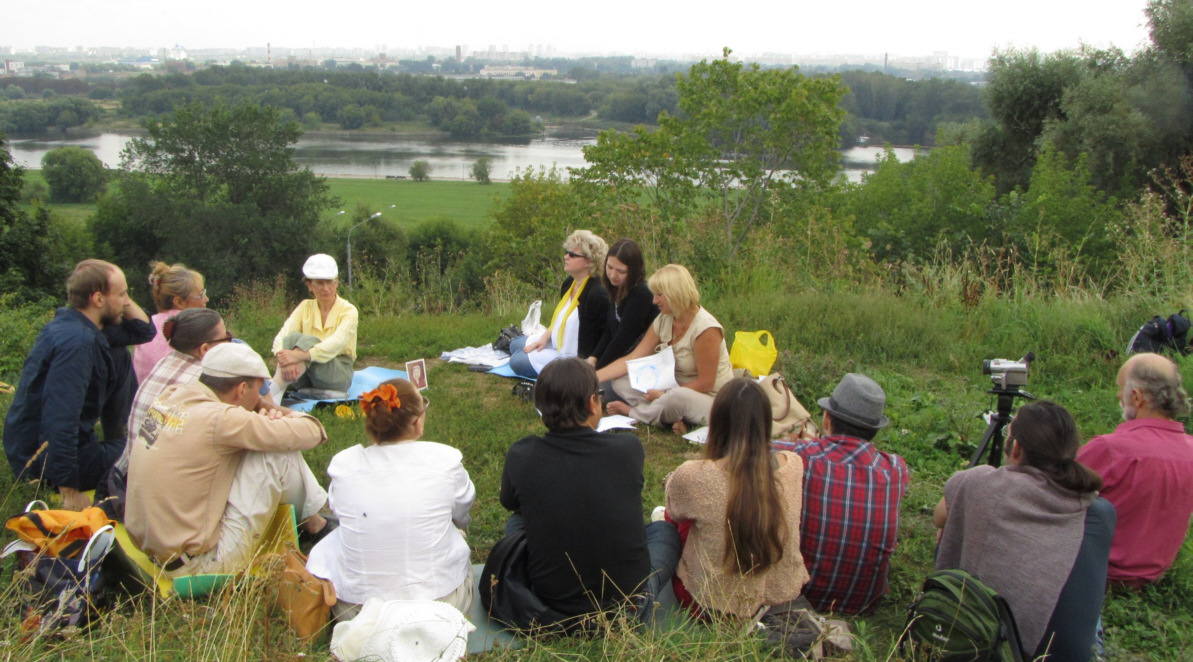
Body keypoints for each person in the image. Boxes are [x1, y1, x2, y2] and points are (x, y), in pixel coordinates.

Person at [497, 358, 679, 626]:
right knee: (664, 531)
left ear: (540, 407)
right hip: (629, 604)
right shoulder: (628, 449)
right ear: (592, 402)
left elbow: (509, 502)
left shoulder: (522, 454)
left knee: (516, 522)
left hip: (550, 602)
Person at [125, 343, 331, 576]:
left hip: (154, 552)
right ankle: (314, 526)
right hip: (199, 565)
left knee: (256, 444)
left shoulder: (169, 398)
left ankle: (313, 522)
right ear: (242, 389)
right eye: (260, 390)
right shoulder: (221, 419)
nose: (261, 396)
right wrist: (269, 409)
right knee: (276, 451)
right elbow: (313, 431)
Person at [934, 401, 1114, 661]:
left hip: (1000, 647)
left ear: (1015, 448)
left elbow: (939, 517)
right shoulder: (1101, 511)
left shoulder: (980, 483)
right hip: (1070, 652)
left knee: (952, 523)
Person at [307, 379, 475, 620]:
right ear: (417, 422)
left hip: (357, 612)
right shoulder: (445, 461)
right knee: (458, 549)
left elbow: (339, 510)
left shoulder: (345, 467)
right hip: (441, 606)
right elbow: (462, 514)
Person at [4, 259, 146, 511]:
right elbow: (60, 418)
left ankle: (119, 436)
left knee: (120, 354)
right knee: (151, 452)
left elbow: (142, 331)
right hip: (43, 463)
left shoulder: (73, 323)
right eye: (123, 294)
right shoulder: (77, 345)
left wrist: (105, 272)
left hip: (42, 449)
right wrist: (69, 489)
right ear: (98, 299)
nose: (127, 302)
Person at [664, 378, 809, 620]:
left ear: (717, 421)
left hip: (711, 604)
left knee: (671, 522)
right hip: (779, 598)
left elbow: (674, 512)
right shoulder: (794, 465)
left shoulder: (694, 475)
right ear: (765, 422)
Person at [771, 373, 909, 615]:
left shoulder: (803, 455)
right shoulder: (896, 469)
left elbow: (750, 447)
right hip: (863, 603)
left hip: (801, 592)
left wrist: (795, 441)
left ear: (826, 419)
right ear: (874, 429)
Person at [1077, 352, 1193, 586]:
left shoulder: (1110, 449)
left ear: (1137, 397)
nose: (1118, 396)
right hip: (1154, 578)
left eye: (1120, 390)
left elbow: (1047, 490)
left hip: (1094, 574)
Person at [596, 264, 734, 434]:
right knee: (621, 381)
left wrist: (665, 393)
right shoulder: (664, 319)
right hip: (671, 389)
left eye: (659, 295)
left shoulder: (706, 329)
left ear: (675, 294)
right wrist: (593, 377)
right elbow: (633, 358)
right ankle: (673, 417)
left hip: (709, 397)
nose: (654, 301)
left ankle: (635, 413)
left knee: (676, 398)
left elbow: (706, 384)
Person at [116, 308, 230, 475]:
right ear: (204, 349)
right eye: (226, 337)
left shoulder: (164, 363)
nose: (230, 343)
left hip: (131, 476)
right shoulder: (204, 379)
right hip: (165, 483)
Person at [508, 230, 610, 379]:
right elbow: (560, 321)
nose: (566, 257)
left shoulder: (597, 294)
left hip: (572, 357)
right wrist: (544, 337)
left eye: (572, 255)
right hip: (556, 342)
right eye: (567, 252)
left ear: (589, 262)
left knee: (517, 361)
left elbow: (604, 336)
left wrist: (588, 363)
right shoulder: (570, 283)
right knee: (515, 344)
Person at [270, 254, 358, 400]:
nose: (326, 288)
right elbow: (282, 337)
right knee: (292, 338)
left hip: (337, 373)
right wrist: (285, 358)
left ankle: (272, 395)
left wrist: (300, 355)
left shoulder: (349, 311)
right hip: (303, 374)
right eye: (319, 283)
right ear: (309, 285)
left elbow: (335, 344)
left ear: (336, 283)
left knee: (309, 340)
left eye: (329, 282)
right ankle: (275, 395)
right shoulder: (305, 306)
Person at [133, 261, 208, 384]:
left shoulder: (147, 325)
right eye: (201, 295)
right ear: (179, 302)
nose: (206, 299)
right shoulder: (192, 326)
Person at [589, 238, 658, 371]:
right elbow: (610, 330)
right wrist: (594, 357)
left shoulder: (641, 294)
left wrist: (598, 370)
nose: (613, 275)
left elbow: (623, 339)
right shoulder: (616, 287)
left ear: (633, 271)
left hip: (640, 360)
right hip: (623, 357)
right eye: (609, 267)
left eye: (621, 271)